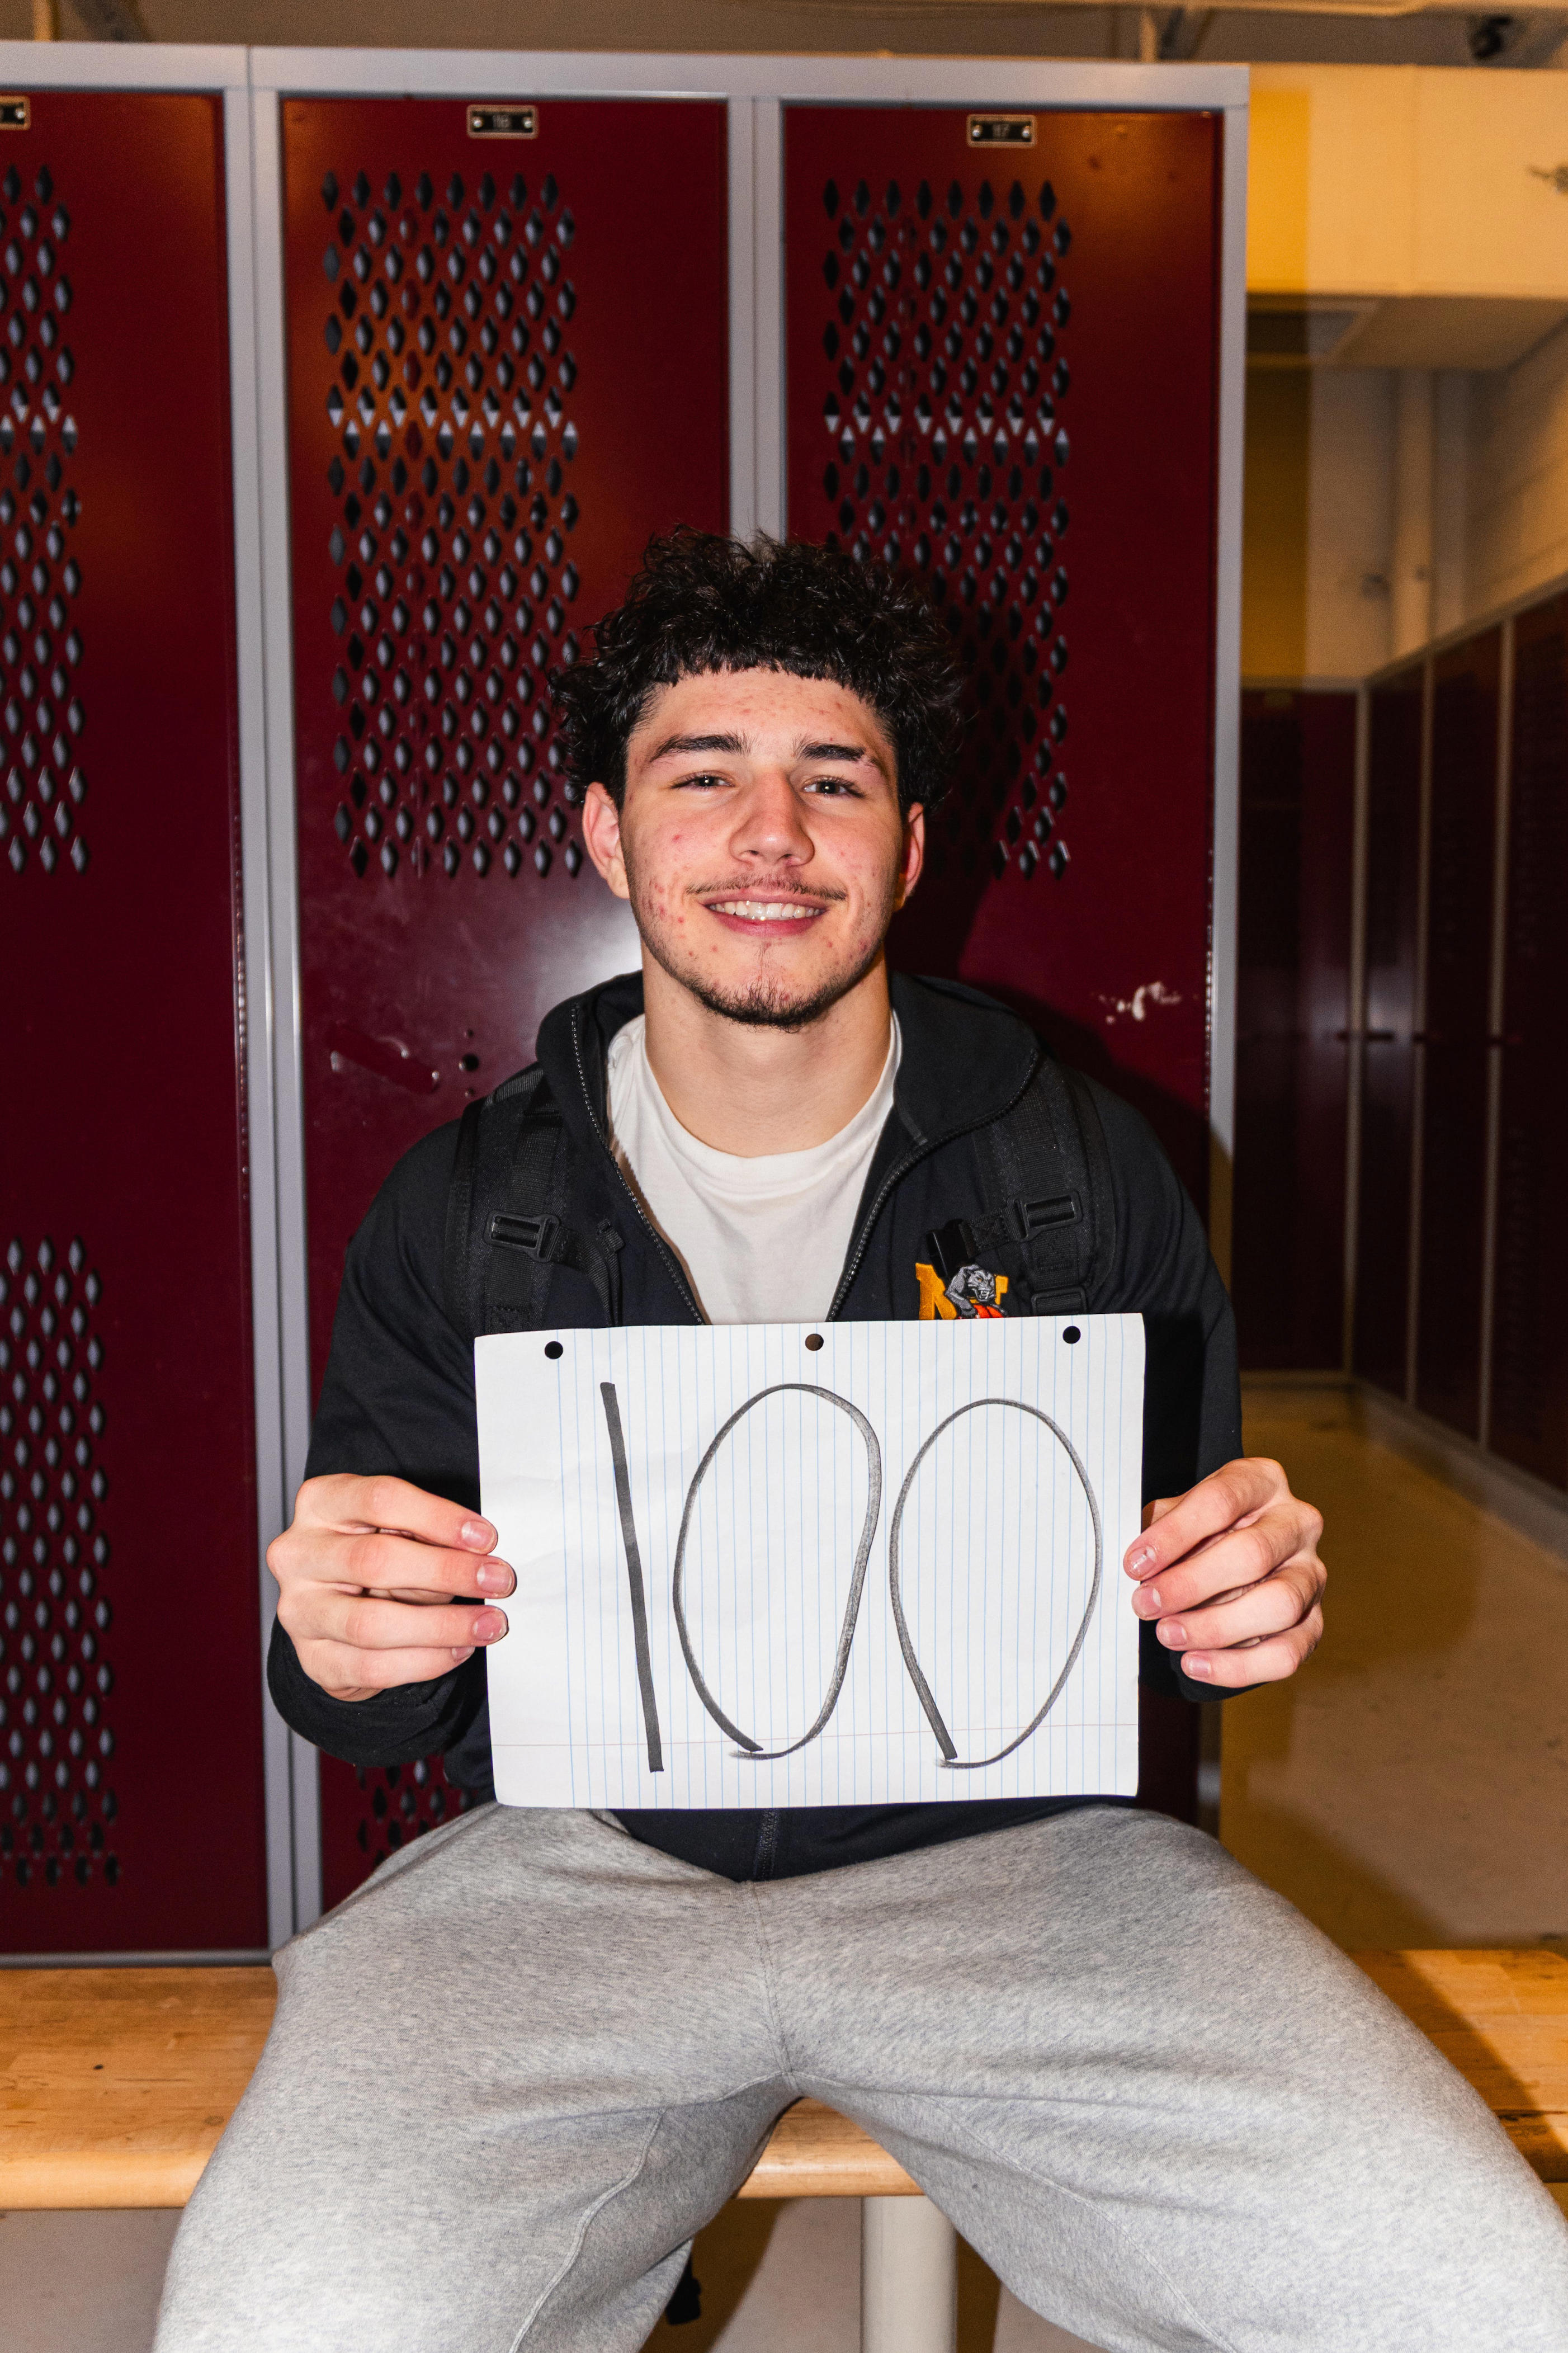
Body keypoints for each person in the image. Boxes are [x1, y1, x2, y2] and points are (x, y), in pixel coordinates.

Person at [155, 535, 1567, 2351]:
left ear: (905, 851)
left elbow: (1161, 1624)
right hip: (578, 1869)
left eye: (834, 783)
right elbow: (375, 1700)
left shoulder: (1079, 1173)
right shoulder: (467, 1207)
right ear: (605, 838)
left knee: (1487, 2299)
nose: (770, 836)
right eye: (703, 777)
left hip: (1020, 1866)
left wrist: (1235, 1598)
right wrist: (338, 1637)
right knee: (287, 2327)